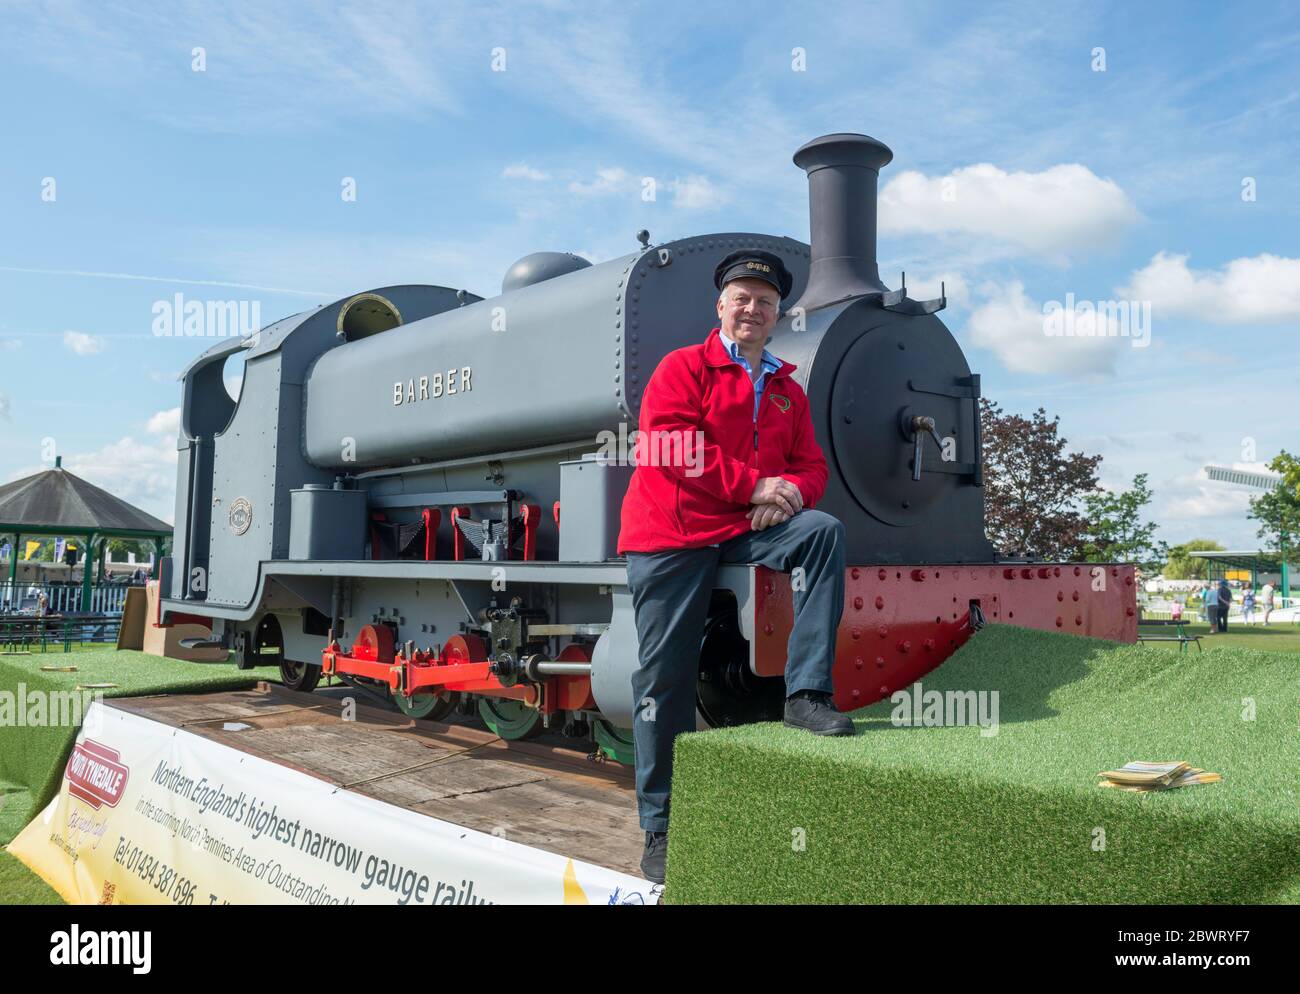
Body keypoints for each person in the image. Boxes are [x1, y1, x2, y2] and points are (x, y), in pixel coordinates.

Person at [617, 248, 853, 885]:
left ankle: (805, 695)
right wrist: (754, 487)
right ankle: (659, 825)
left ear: (778, 314)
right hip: (674, 530)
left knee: (821, 532)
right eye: (742, 299)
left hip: (747, 527)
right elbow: (668, 447)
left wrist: (792, 497)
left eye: (766, 302)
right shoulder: (683, 367)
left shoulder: (784, 387)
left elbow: (812, 468)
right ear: (720, 307)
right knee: (663, 676)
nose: (753, 310)